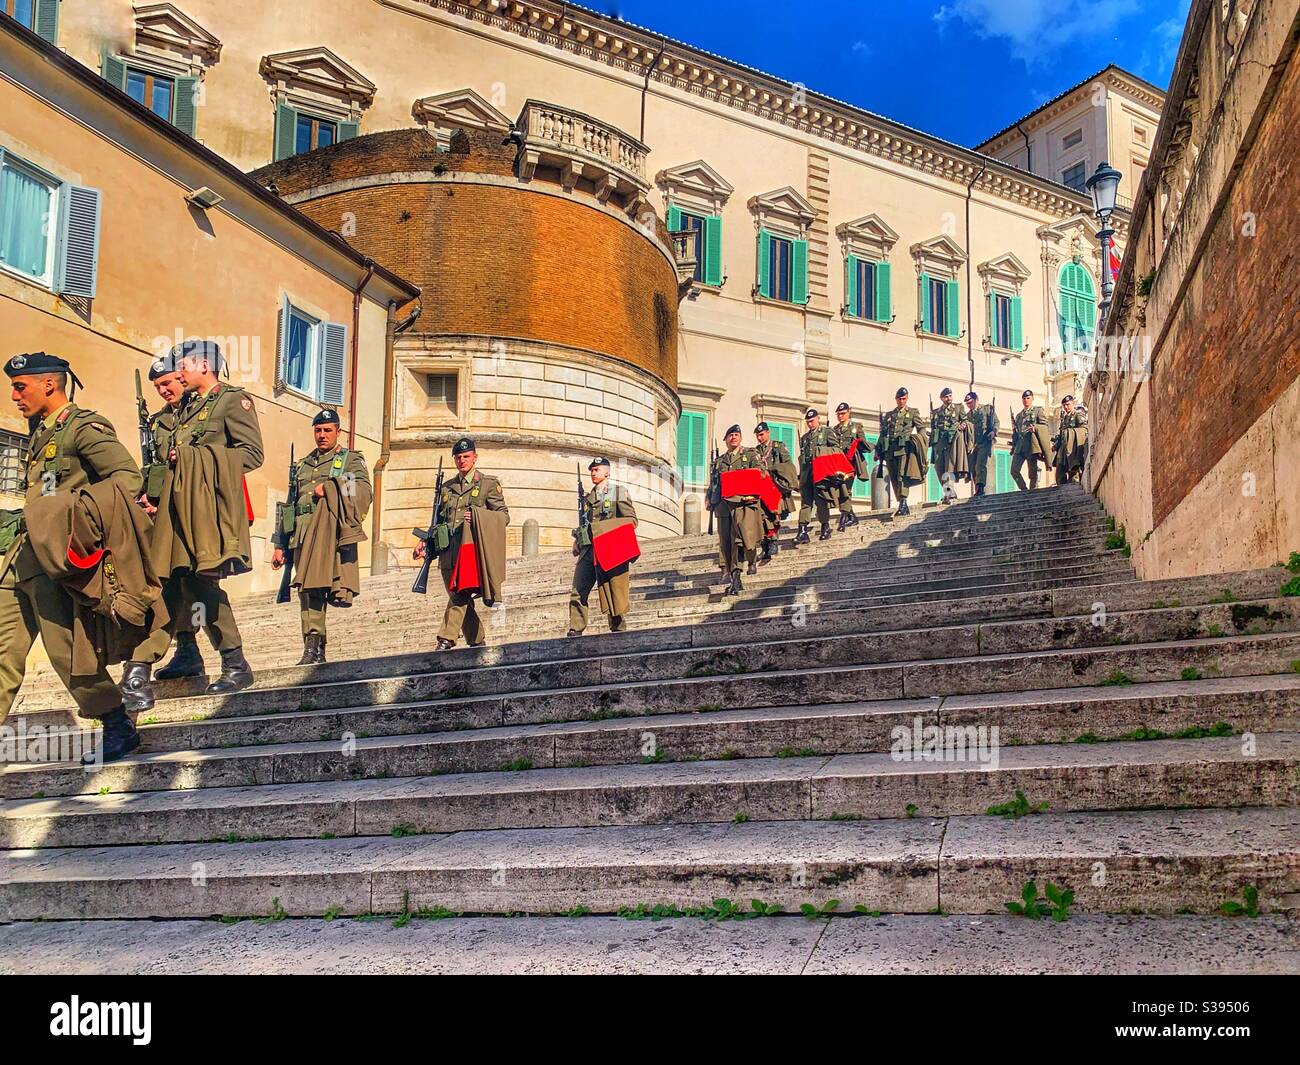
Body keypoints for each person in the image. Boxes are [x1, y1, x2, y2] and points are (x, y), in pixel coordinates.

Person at [0, 352, 149, 762]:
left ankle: (116, 721)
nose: (14, 395)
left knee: (65, 649)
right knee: (2, 651)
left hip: (56, 562)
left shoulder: (84, 427)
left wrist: (68, 513)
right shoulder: (41, 433)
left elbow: (127, 480)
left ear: (49, 384)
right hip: (21, 558)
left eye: (20, 386)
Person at [121, 340, 264, 707]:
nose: (178, 373)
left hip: (205, 510)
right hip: (172, 511)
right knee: (166, 583)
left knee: (202, 586)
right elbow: (165, 462)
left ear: (203, 365)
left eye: (183, 366)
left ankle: (234, 664)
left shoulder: (233, 400)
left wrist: (194, 459)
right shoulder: (184, 409)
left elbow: (251, 455)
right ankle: (139, 668)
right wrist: (151, 495)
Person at [271, 409, 372, 664]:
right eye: (318, 430)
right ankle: (313, 647)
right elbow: (289, 503)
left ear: (338, 431)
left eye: (328, 430)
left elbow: (362, 493)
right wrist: (280, 543)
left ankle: (314, 646)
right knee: (306, 590)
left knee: (316, 587)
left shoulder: (349, 460)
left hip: (328, 533)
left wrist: (329, 488)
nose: (322, 435)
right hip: (301, 533)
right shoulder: (303, 464)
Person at [136, 350, 213, 680]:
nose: (164, 390)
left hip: (193, 509)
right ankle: (184, 650)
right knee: (169, 581)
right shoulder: (159, 421)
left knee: (195, 585)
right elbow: (156, 464)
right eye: (157, 387)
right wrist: (146, 494)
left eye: (166, 382)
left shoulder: (201, 413)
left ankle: (196, 647)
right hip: (163, 511)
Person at [412, 437, 509, 650]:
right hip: (448, 551)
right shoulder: (446, 488)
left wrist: (478, 515)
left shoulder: (488, 484)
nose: (462, 460)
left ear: (475, 457)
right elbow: (437, 521)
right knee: (458, 594)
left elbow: (503, 516)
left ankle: (446, 638)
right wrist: (424, 542)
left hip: (470, 551)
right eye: (458, 457)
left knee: (459, 594)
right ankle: (477, 640)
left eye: (466, 456)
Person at [568, 457, 637, 635]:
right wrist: (578, 540)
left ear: (607, 472)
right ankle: (576, 628)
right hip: (589, 549)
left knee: (613, 588)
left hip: (609, 547)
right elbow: (585, 523)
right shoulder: (587, 498)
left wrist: (605, 530)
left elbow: (631, 520)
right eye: (591, 470)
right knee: (578, 589)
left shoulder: (618, 492)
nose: (593, 473)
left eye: (597, 469)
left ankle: (618, 627)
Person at [707, 424, 763, 594]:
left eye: (736, 434)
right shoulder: (719, 462)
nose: (733, 437)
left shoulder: (749, 455)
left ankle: (741, 572)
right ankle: (733, 576)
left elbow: (760, 473)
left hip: (743, 504)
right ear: (726, 440)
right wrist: (709, 497)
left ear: (740, 438)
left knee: (740, 539)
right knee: (726, 541)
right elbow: (714, 482)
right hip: (723, 506)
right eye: (730, 435)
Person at [874, 387, 929, 516]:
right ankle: (902, 502)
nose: (901, 401)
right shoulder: (889, 415)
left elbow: (921, 429)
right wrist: (878, 450)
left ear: (907, 398)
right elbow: (882, 435)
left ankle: (903, 503)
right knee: (893, 476)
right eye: (899, 399)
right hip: (890, 450)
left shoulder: (913, 412)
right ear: (896, 399)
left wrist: (919, 441)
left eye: (903, 399)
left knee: (902, 475)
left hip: (904, 449)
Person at [752, 421, 796, 564]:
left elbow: (788, 464)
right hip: (761, 488)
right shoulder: (755, 451)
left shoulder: (778, 447)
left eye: (762, 434)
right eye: (758, 435)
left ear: (768, 432)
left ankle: (773, 542)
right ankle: (765, 546)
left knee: (773, 515)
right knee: (761, 517)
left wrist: (772, 469)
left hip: (775, 486)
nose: (760, 438)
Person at [796, 408, 839, 543]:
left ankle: (825, 526)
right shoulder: (804, 438)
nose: (810, 424)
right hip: (807, 474)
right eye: (808, 421)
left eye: (812, 421)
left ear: (818, 419)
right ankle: (802, 530)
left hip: (821, 473)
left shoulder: (826, 433)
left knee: (821, 501)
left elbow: (836, 449)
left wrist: (820, 452)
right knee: (806, 502)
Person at [830, 402, 867, 530]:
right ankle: (852, 516)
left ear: (848, 413)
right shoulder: (834, 430)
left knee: (846, 488)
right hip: (838, 465)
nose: (840, 416)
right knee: (840, 490)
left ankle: (844, 518)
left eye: (843, 413)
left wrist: (856, 445)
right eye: (838, 414)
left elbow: (863, 443)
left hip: (851, 464)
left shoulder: (855, 427)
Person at [929, 387, 970, 503]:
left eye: (950, 396)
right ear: (942, 398)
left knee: (949, 469)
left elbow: (965, 420)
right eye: (946, 397)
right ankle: (950, 491)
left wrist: (963, 425)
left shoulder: (958, 408)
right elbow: (934, 427)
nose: (949, 398)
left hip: (952, 442)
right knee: (939, 468)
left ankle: (947, 494)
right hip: (939, 443)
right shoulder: (936, 412)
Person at [1011, 388, 1052, 491]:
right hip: (1020, 446)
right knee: (1014, 470)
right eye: (1024, 398)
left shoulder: (1037, 411)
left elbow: (1045, 425)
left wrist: (1036, 428)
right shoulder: (1019, 416)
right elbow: (1016, 432)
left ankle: (1032, 490)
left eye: (1028, 398)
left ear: (1032, 398)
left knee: (1032, 472)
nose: (1026, 400)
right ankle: (1024, 490)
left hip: (1031, 445)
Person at [964, 391, 999, 497]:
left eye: (971, 402)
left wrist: (994, 431)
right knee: (973, 467)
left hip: (985, 441)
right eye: (967, 403)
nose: (969, 405)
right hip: (974, 444)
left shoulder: (987, 409)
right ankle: (977, 487)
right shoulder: (968, 416)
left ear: (976, 400)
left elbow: (996, 422)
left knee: (980, 465)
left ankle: (981, 488)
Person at [1052, 395, 1089, 484]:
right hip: (1063, 447)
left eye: (1068, 404)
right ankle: (1062, 490)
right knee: (1059, 471)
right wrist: (1056, 445)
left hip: (1073, 447)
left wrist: (1070, 433)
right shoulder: (1064, 418)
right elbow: (1061, 435)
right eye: (1064, 405)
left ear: (1073, 403)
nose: (1066, 407)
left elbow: (1084, 429)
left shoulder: (1078, 414)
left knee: (1073, 470)